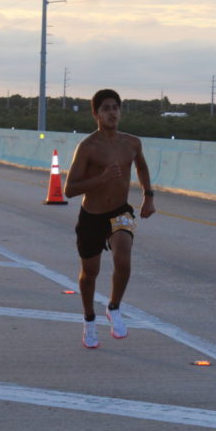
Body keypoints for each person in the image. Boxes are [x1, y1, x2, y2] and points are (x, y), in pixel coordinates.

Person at [64, 89, 155, 349]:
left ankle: (114, 307)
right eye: (106, 108)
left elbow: (142, 166)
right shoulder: (88, 147)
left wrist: (148, 196)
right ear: (95, 113)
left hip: (119, 211)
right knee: (90, 273)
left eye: (116, 107)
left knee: (122, 258)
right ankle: (89, 321)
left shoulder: (132, 143)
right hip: (92, 215)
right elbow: (70, 189)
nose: (112, 112)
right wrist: (101, 179)